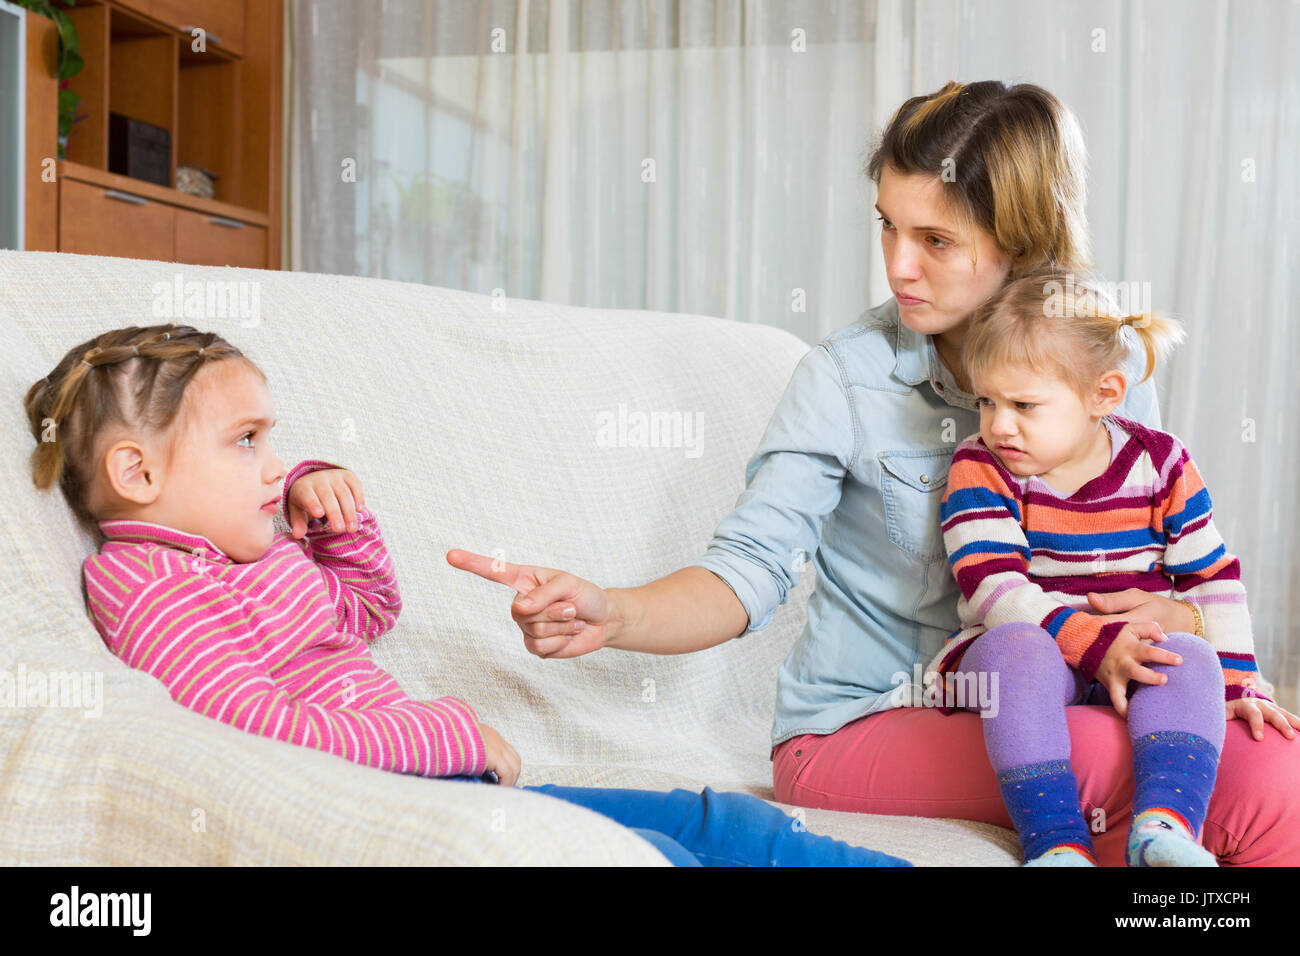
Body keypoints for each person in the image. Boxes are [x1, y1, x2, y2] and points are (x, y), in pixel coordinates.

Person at [449, 79, 1300, 866]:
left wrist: (1188, 619)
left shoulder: (1105, 363)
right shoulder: (845, 379)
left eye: (935, 239)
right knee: (1114, 766)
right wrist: (615, 611)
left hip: (1074, 685)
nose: (898, 266)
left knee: (1274, 768)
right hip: (872, 721)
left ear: (1022, 244)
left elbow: (1170, 546)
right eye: (888, 226)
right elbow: (748, 569)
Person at [23, 323, 910, 868]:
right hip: (389, 811)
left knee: (716, 822)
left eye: (272, 440)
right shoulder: (150, 582)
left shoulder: (255, 550)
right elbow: (256, 735)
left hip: (433, 785)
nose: (274, 464)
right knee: (659, 853)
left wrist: (335, 528)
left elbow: (366, 616)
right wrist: (448, 733)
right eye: (246, 441)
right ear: (135, 471)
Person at [921, 266, 1298, 866]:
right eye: (985, 401)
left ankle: (1163, 829)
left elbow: (1212, 578)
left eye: (1023, 404)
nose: (998, 425)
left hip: (1132, 648)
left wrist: (1239, 685)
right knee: (1015, 651)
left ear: (1104, 395)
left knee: (1190, 655)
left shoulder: (1162, 462)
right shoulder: (981, 467)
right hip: (1034, 647)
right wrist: (1097, 645)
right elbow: (993, 585)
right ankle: (1055, 846)